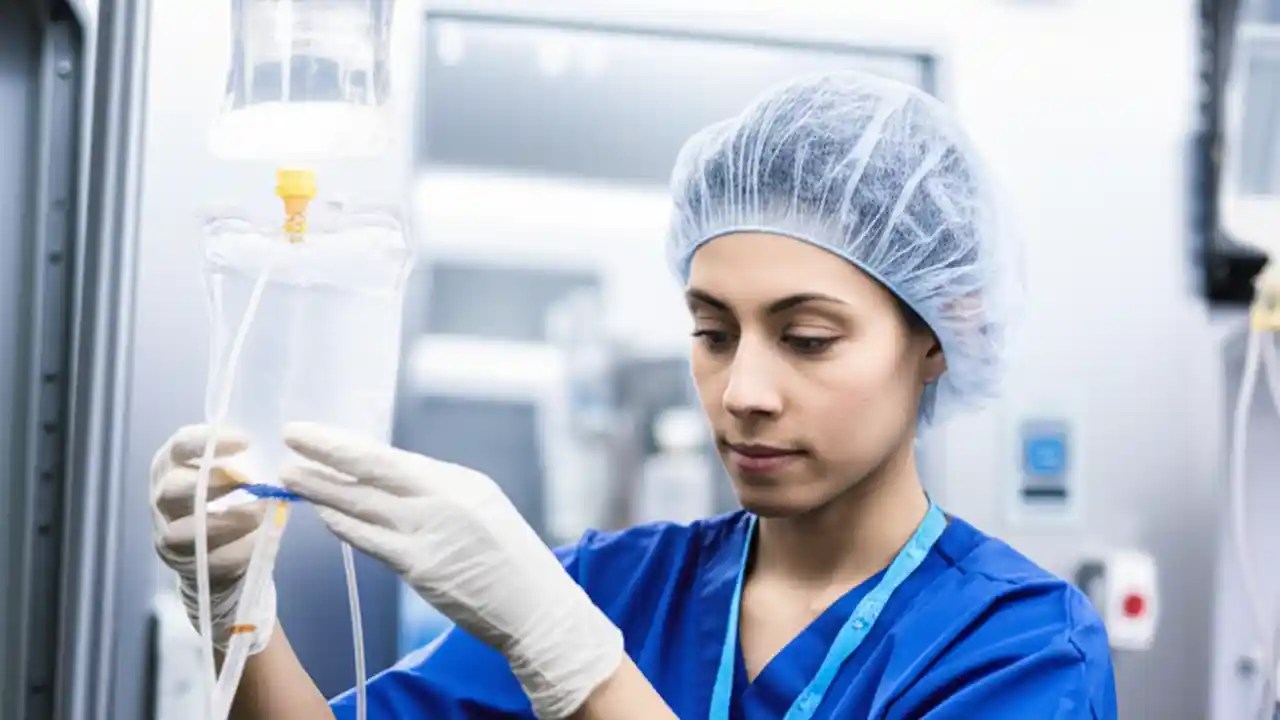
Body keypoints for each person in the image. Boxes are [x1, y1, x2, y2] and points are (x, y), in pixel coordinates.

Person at [150, 71, 1118, 719]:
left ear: (937, 338)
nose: (741, 391)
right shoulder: (615, 586)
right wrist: (239, 610)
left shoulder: (1018, 648)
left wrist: (573, 661)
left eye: (806, 339)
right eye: (710, 331)